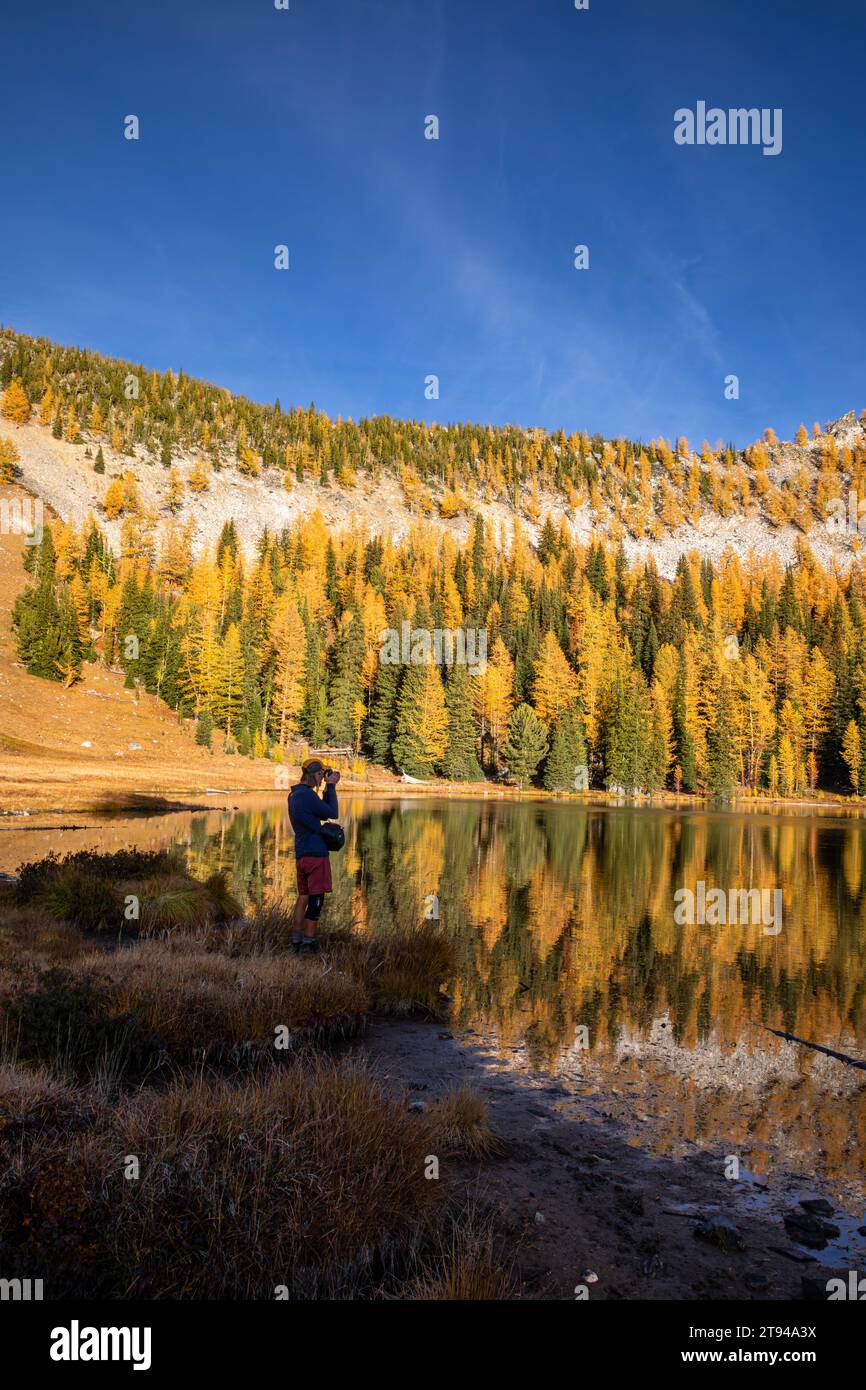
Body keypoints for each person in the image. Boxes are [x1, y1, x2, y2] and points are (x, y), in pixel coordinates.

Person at [287, 757, 341, 952]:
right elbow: (333, 813)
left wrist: (326, 789)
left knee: (303, 896)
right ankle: (308, 943)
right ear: (316, 774)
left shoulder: (294, 795)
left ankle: (296, 940)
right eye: (321, 775)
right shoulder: (308, 796)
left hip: (301, 853)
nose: (322, 778)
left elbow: (323, 813)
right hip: (316, 854)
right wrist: (332, 786)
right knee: (316, 900)